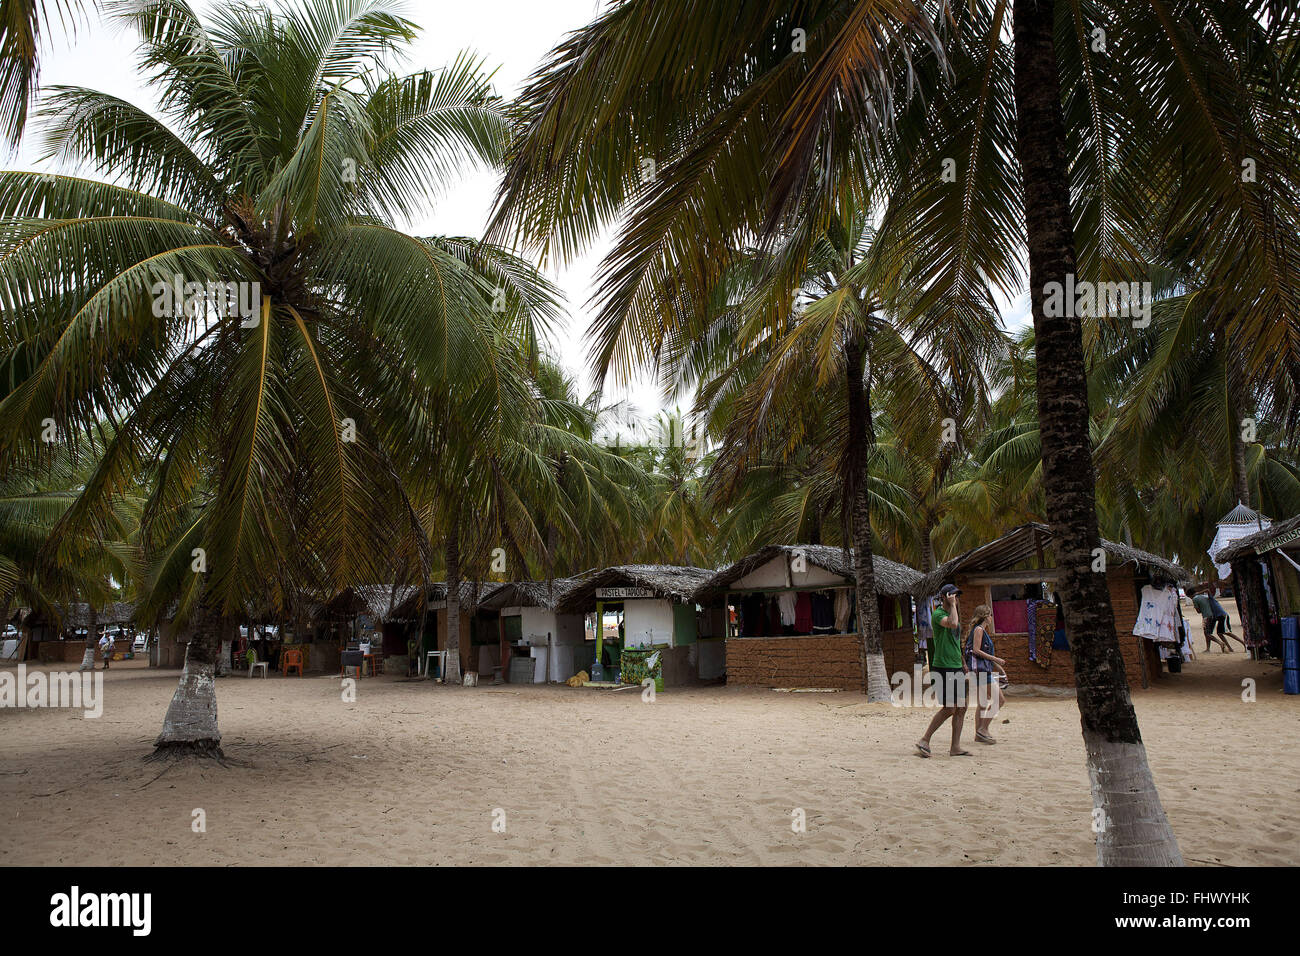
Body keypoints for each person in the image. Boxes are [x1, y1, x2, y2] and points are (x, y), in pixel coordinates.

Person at [916, 584, 971, 757]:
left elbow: (956, 641)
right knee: (949, 708)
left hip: (956, 665)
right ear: (945, 596)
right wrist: (952, 605)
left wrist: (963, 662)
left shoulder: (953, 613)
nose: (956, 599)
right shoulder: (939, 614)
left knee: (962, 707)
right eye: (953, 595)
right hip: (943, 666)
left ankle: (955, 747)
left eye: (957, 596)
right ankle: (924, 739)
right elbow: (953, 624)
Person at [964, 604, 1006, 744]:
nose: (991, 618)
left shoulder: (980, 630)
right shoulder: (979, 630)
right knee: (1000, 699)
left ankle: (978, 734)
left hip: (979, 671)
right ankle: (983, 729)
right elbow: (977, 650)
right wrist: (996, 659)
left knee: (982, 703)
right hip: (981, 672)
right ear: (985, 616)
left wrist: (998, 667)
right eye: (990, 615)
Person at [1189, 584, 1245, 652]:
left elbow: (1207, 590)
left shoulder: (1210, 598)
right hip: (1217, 616)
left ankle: (1243, 643)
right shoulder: (1206, 598)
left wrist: (1198, 593)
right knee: (1220, 633)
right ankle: (1230, 648)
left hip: (1222, 616)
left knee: (1227, 633)